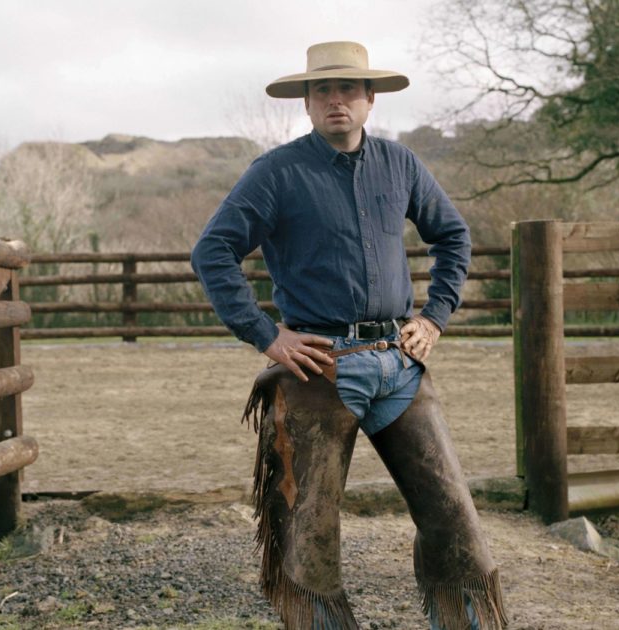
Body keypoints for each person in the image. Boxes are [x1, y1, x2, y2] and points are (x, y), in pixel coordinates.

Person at [191, 41, 508, 629]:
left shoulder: (401, 164)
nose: (335, 100)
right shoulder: (277, 172)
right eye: (322, 91)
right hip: (320, 368)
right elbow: (212, 251)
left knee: (452, 512)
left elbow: (453, 237)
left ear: (370, 100)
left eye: (348, 90)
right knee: (311, 529)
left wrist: (435, 315)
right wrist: (266, 335)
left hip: (398, 363)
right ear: (308, 104)